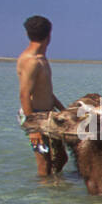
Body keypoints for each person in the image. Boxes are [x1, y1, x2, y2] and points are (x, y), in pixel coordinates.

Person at [17, 15, 67, 175]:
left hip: (48, 115)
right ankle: (41, 194)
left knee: (61, 158)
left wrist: (63, 110)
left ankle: (54, 191)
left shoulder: (42, 59)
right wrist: (33, 129)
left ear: (27, 34)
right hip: (34, 117)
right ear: (49, 35)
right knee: (43, 164)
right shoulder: (31, 61)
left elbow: (46, 91)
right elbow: (24, 95)